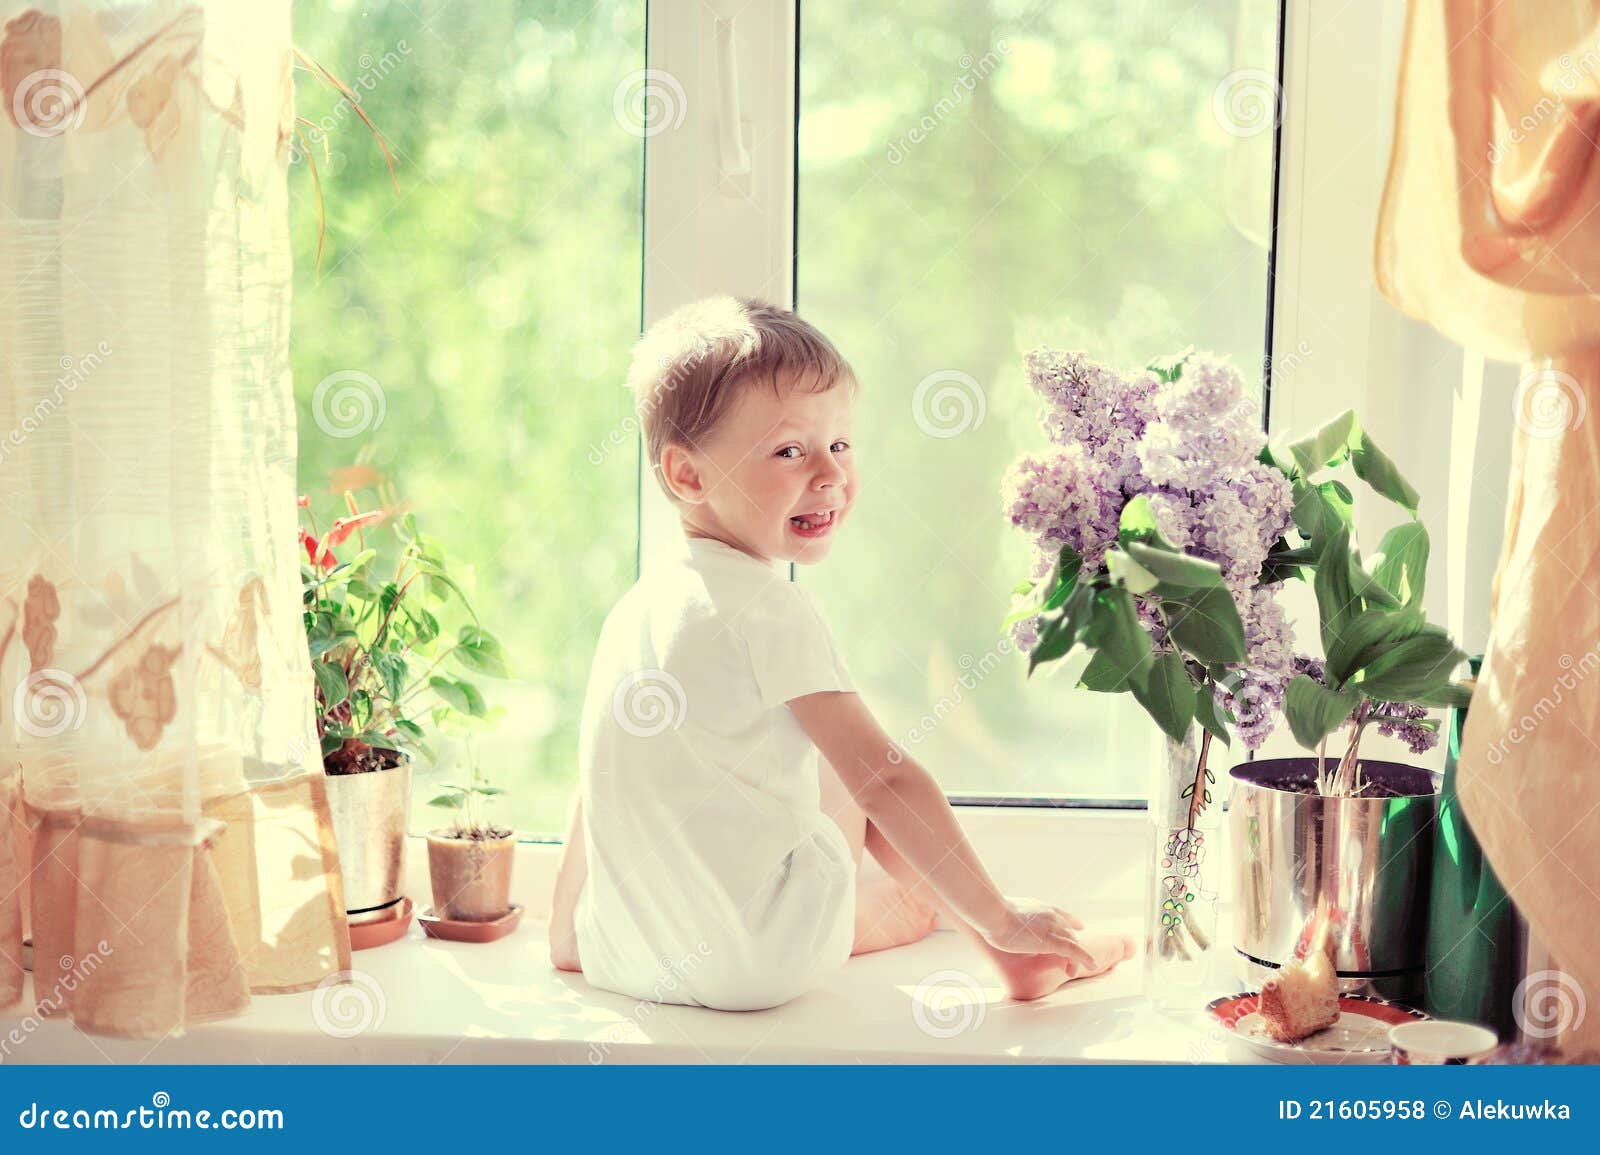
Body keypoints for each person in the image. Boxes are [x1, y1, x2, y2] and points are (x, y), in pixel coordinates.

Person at [547, 297, 1135, 1010]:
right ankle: (1011, 945)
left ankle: (937, 911)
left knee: (645, 745)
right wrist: (998, 914)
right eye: (790, 450)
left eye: (842, 444)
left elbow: (596, 785)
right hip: (763, 966)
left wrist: (572, 927)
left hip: (625, 954)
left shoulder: (635, 610)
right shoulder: (770, 606)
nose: (829, 474)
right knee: (850, 755)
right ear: (688, 476)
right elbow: (884, 785)